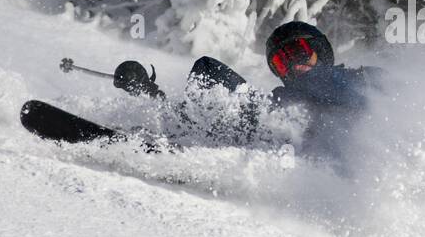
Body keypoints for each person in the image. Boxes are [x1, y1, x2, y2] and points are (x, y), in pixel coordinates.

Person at [112, 21, 379, 148]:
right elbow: (241, 116)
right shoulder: (280, 99)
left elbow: (402, 103)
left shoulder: (359, 80)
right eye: (282, 60)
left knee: (321, 82)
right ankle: (170, 131)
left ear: (320, 50)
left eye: (299, 51)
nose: (293, 64)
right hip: (266, 145)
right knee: (208, 68)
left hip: (315, 156)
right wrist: (151, 94)